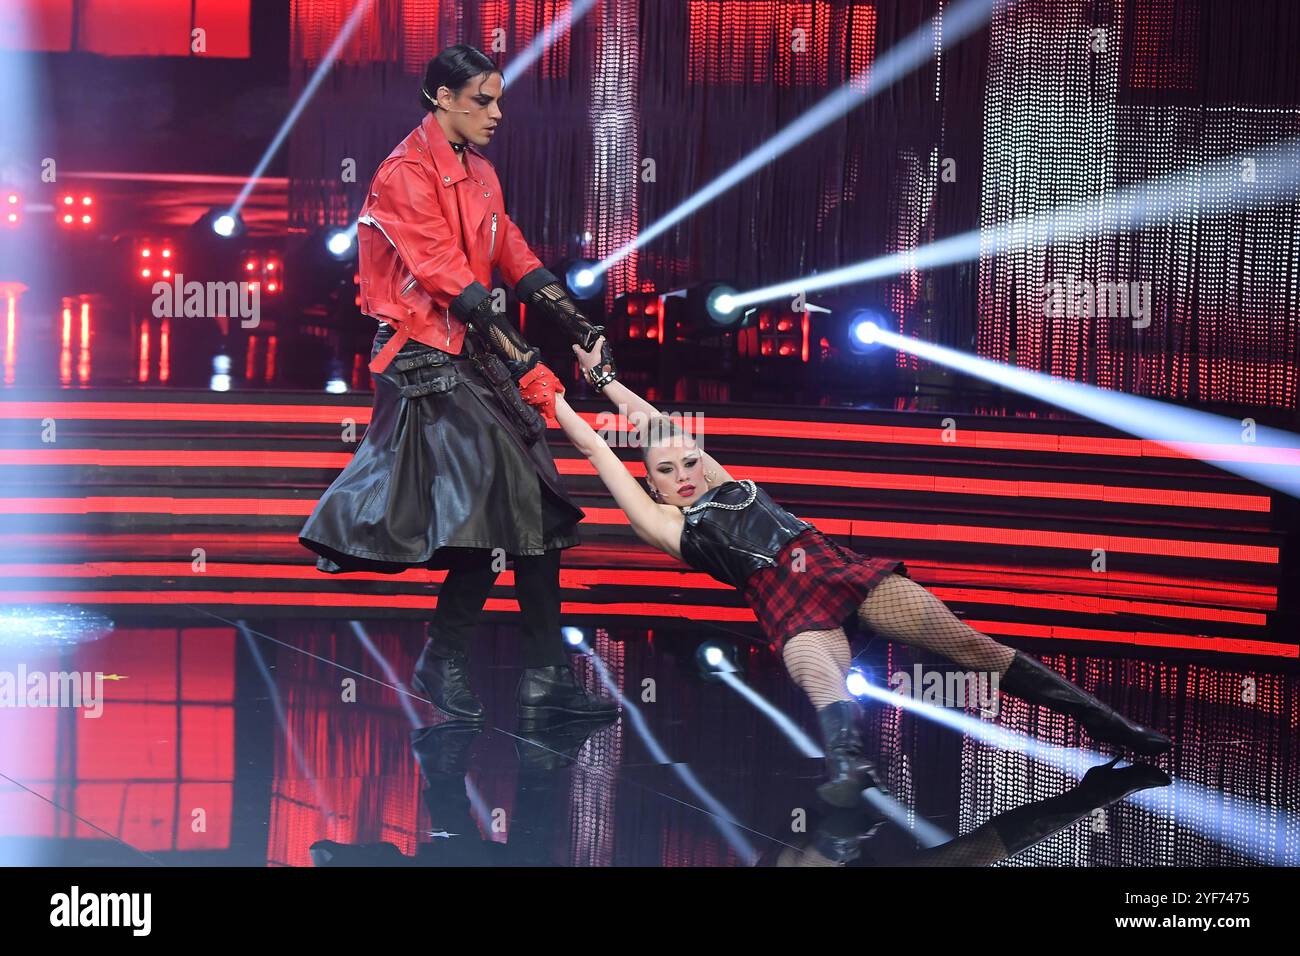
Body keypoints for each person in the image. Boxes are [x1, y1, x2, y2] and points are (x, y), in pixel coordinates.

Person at [511, 338, 1172, 806]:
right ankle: (850, 770)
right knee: (823, 680)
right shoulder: (664, 521)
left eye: (687, 463)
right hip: (785, 604)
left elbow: (654, 428)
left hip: (836, 568)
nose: (682, 476)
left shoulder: (711, 474)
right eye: (667, 473)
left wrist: (605, 382)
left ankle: (1107, 724)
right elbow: (603, 450)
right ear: (651, 486)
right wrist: (552, 397)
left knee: (969, 645)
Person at [298, 44, 617, 723]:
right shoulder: (404, 174)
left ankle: (542, 679)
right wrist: (528, 360)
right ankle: (447, 659)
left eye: (499, 99)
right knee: (500, 507)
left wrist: (577, 324)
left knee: (536, 507)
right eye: (483, 100)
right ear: (440, 97)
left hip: (469, 349)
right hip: (423, 357)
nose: (497, 113)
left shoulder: (480, 174)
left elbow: (514, 255)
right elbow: (451, 280)